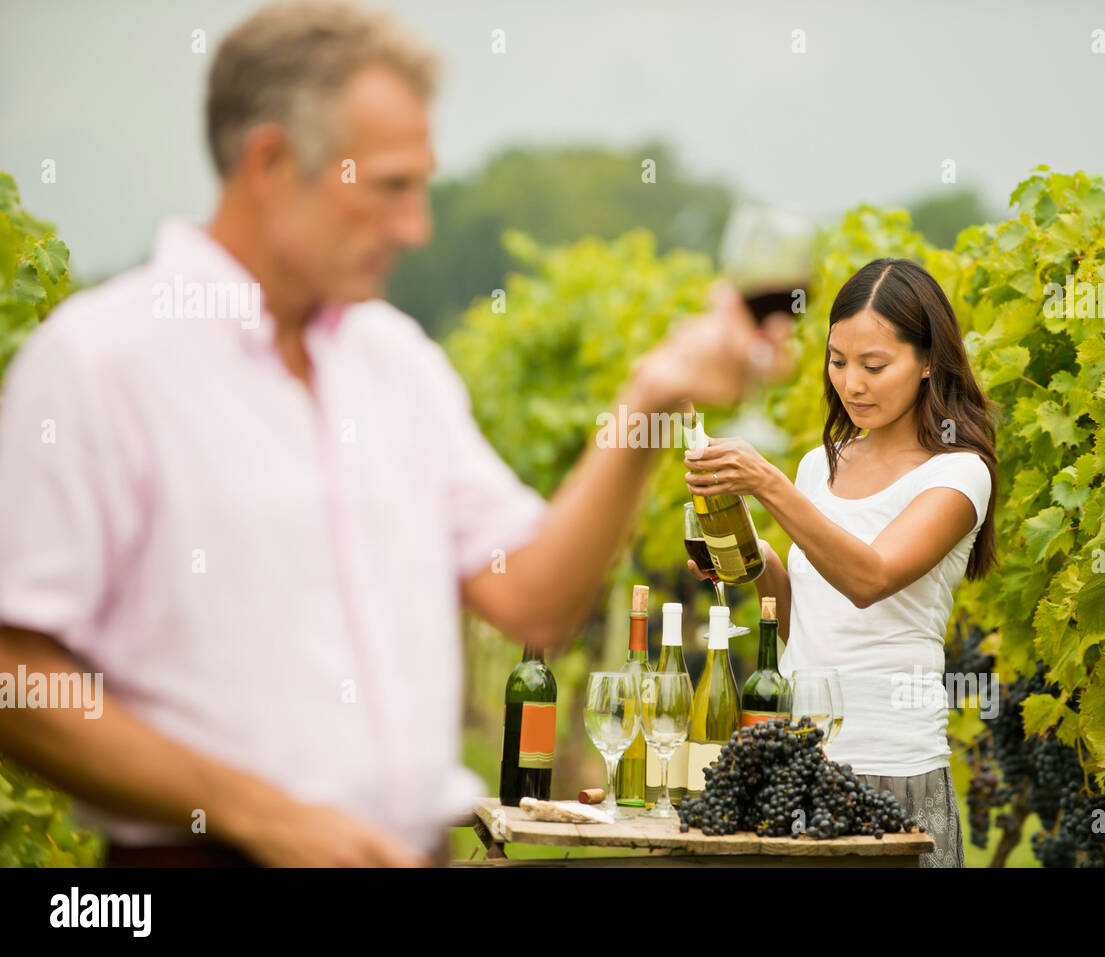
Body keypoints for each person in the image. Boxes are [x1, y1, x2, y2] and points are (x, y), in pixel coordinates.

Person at [0, 0, 790, 867]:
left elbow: (533, 598)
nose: (417, 225)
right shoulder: (98, 363)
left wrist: (649, 401)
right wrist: (258, 815)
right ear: (271, 163)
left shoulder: (396, 362)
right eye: (389, 187)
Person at [683, 257, 998, 867]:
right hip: (799, 760)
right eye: (838, 361)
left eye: (874, 366)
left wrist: (768, 484)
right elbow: (803, 621)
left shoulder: (958, 474)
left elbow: (868, 579)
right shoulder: (818, 466)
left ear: (928, 361)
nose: (852, 384)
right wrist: (754, 558)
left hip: (892, 768)